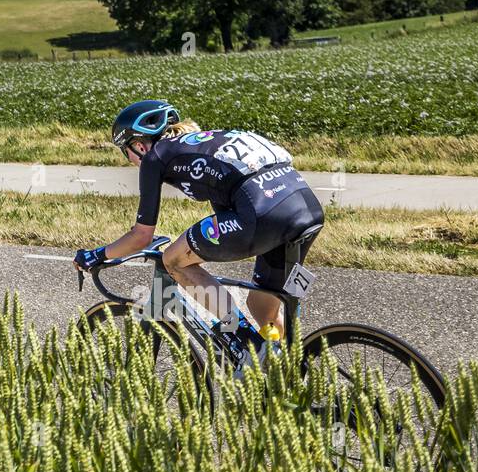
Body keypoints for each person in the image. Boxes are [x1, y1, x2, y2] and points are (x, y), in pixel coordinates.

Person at [74, 99, 324, 340]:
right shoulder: (208, 142)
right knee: (262, 306)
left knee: (173, 259)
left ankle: (239, 337)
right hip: (306, 209)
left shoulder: (154, 157)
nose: (128, 160)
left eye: (124, 151)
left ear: (138, 145)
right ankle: (282, 366)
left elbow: (142, 236)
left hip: (263, 212)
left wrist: (96, 255)